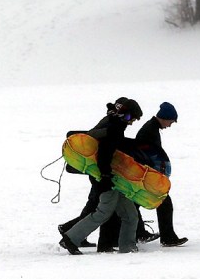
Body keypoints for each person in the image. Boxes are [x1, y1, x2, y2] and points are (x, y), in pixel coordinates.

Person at [59, 98, 143, 255]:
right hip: (106, 177)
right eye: (132, 118)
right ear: (126, 115)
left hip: (111, 177)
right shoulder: (114, 128)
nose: (132, 122)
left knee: (130, 215)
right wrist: (105, 176)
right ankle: (70, 238)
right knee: (103, 212)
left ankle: (128, 247)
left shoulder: (111, 121)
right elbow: (104, 153)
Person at [134, 102, 188, 247]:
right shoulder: (150, 131)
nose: (170, 125)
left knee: (135, 203)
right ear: (165, 118)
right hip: (147, 174)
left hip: (144, 173)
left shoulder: (151, 128)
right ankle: (167, 238)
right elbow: (146, 154)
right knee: (164, 203)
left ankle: (140, 233)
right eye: (171, 121)